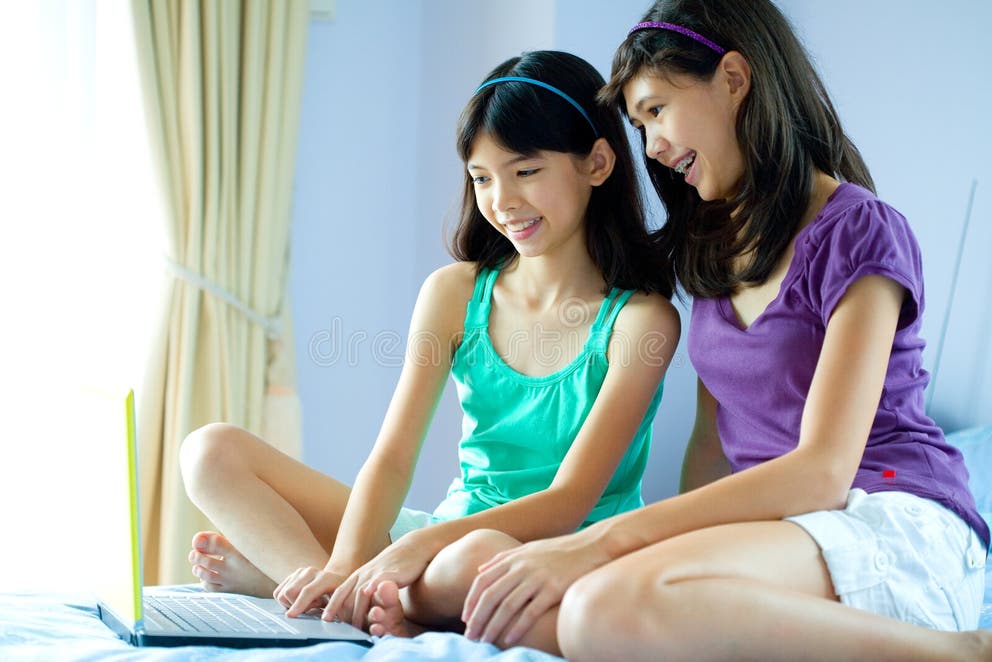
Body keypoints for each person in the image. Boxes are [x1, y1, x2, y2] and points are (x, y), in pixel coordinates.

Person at [452, 2, 992, 660]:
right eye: (637, 123)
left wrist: (606, 543)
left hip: (883, 515)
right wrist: (669, 561)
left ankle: (964, 651)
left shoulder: (860, 230)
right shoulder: (709, 247)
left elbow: (823, 473)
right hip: (779, 534)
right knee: (521, 603)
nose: (648, 146)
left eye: (655, 110)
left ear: (733, 79)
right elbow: (712, 451)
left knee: (602, 604)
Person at [179, 49, 680, 641]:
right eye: (482, 178)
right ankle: (333, 588)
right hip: (443, 535)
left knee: (477, 556)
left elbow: (567, 502)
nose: (502, 201)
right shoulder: (454, 293)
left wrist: (415, 547)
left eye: (525, 171)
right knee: (210, 451)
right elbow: (392, 459)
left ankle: (332, 590)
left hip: (547, 556)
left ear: (597, 163)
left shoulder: (642, 322)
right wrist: (347, 559)